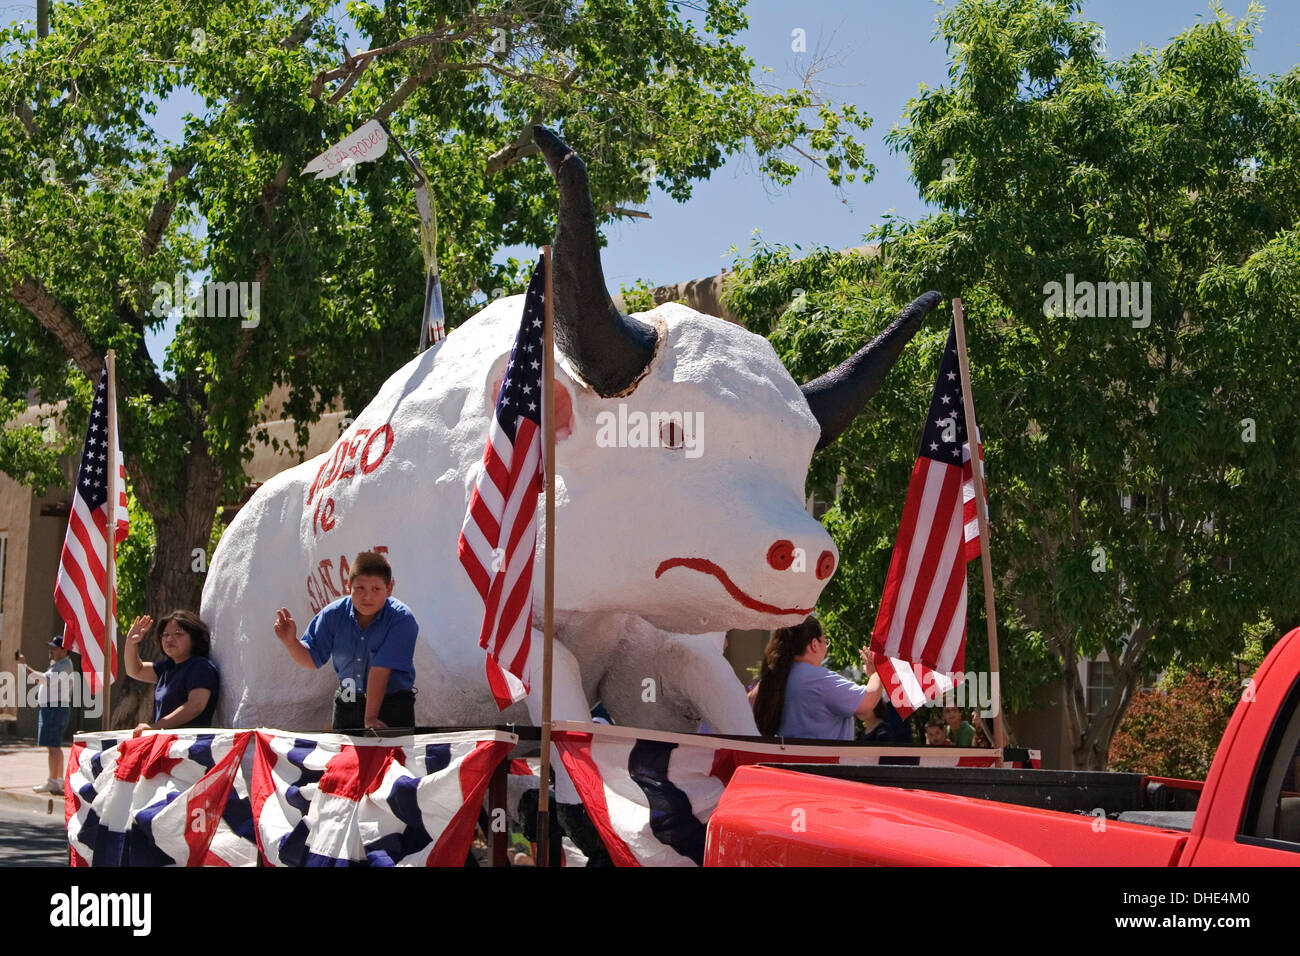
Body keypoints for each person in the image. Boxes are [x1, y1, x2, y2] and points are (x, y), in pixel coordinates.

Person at [274, 551, 417, 731]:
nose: (367, 596)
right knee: (345, 759)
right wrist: (290, 643)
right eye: (360, 588)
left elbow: (381, 670)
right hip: (348, 702)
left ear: (389, 588)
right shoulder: (333, 615)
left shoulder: (402, 619)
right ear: (348, 586)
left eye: (376, 589)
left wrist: (371, 717)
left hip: (392, 704)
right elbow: (311, 659)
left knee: (393, 759)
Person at [751, 615, 882, 740]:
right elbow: (868, 702)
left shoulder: (770, 680)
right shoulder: (818, 679)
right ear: (814, 644)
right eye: (825, 642)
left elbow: (750, 702)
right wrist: (876, 671)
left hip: (780, 761)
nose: (826, 648)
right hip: (822, 761)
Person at [124, 610, 220, 735]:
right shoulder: (166, 668)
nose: (169, 638)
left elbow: (196, 705)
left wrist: (156, 727)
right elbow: (135, 670)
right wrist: (131, 642)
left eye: (178, 633)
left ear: (194, 639)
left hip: (188, 745)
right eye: (165, 635)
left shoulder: (201, 667)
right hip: (165, 743)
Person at [17, 636, 76, 794]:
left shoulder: (64, 665)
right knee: (54, 746)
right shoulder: (59, 664)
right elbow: (43, 680)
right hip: (53, 708)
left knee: (53, 746)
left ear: (64, 650)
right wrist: (24, 667)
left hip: (54, 709)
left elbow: (44, 680)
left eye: (54, 647)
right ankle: (57, 780)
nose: (51, 650)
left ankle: (53, 782)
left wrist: (24, 666)